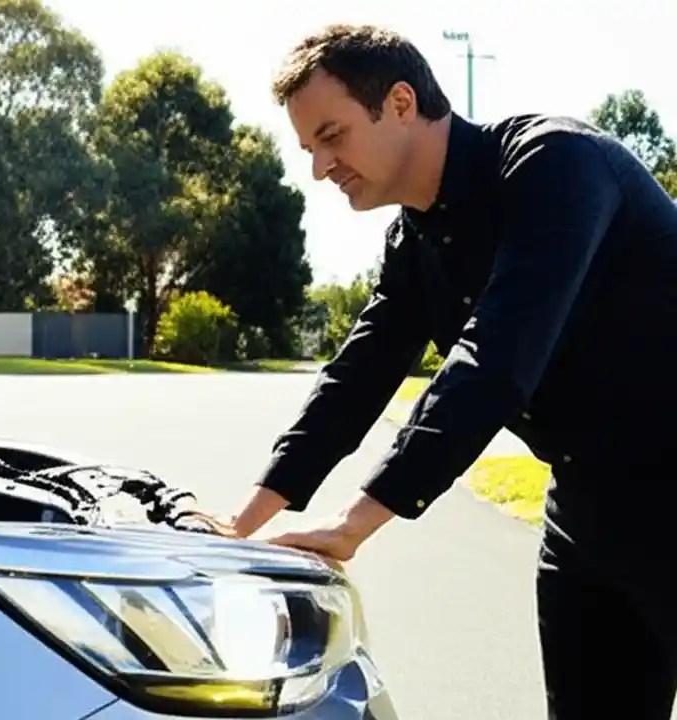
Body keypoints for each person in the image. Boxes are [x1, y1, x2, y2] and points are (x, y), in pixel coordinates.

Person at [205, 23, 677, 720]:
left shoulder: (555, 165)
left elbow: (494, 361)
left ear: (400, 103)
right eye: (310, 149)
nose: (321, 168)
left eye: (332, 137)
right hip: (587, 511)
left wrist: (354, 524)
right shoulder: (413, 239)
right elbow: (357, 375)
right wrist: (240, 522)